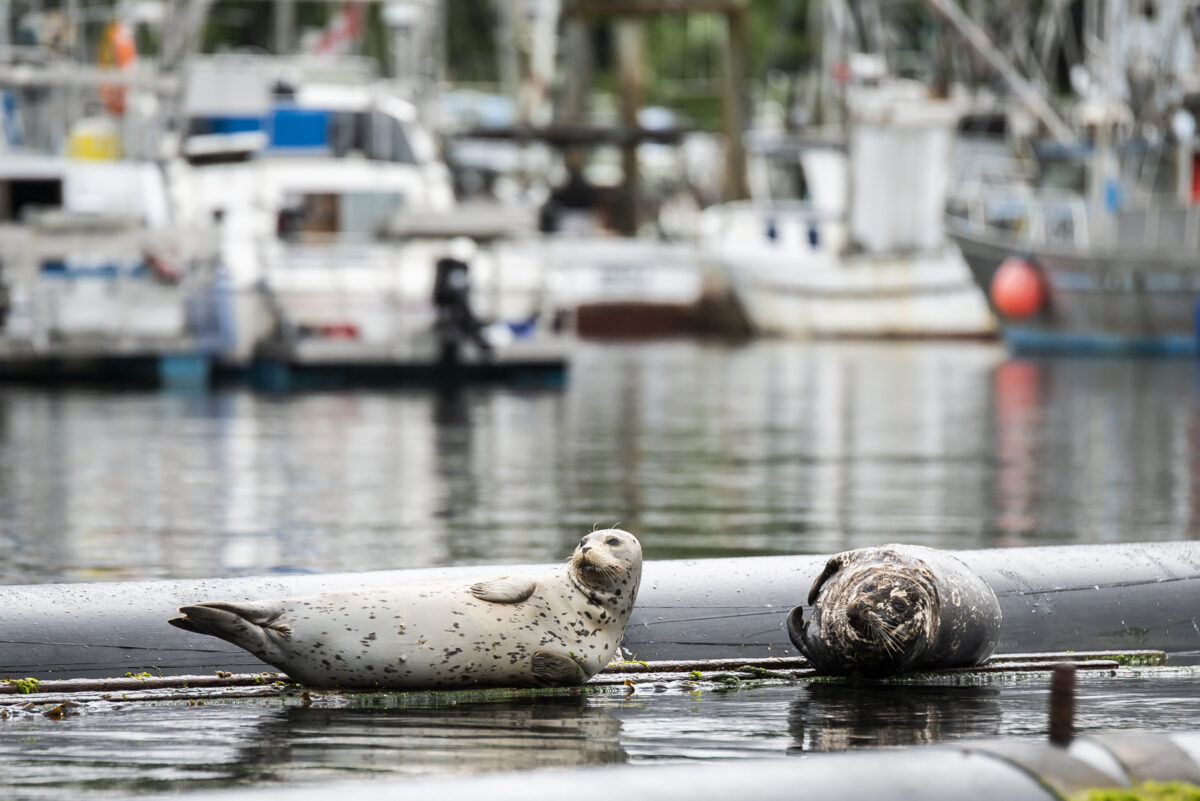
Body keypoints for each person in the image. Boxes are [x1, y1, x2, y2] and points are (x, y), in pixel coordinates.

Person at [432, 237, 493, 365]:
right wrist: (471, 319)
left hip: (450, 319)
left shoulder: (446, 269)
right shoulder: (457, 270)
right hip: (455, 320)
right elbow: (460, 298)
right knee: (452, 353)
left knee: (451, 353)